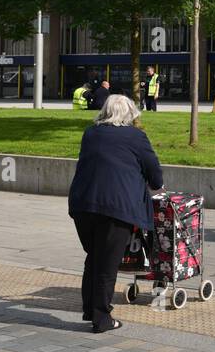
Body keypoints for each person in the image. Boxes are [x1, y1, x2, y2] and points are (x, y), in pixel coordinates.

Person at [67, 95, 163, 334]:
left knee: (94, 256)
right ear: (130, 113)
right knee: (107, 264)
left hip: (83, 205)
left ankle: (90, 308)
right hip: (116, 208)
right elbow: (154, 173)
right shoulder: (136, 136)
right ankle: (101, 319)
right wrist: (154, 184)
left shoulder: (91, 133)